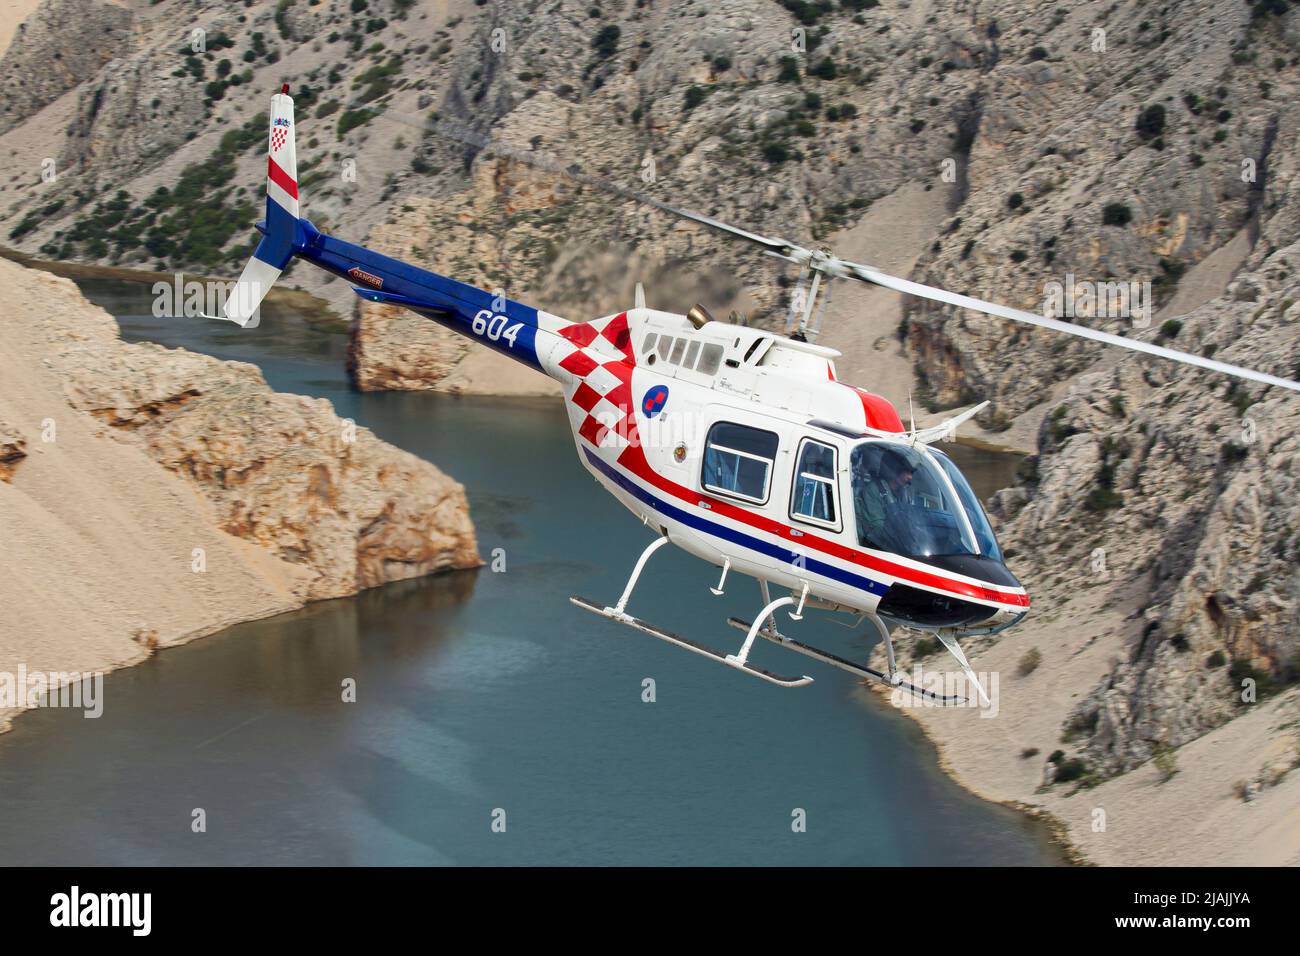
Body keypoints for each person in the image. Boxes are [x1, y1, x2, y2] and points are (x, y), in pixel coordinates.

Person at [855, 449, 915, 548]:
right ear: (895, 470)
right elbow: (877, 527)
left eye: (911, 473)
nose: (910, 477)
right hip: (877, 547)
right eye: (906, 472)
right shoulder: (873, 490)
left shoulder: (905, 494)